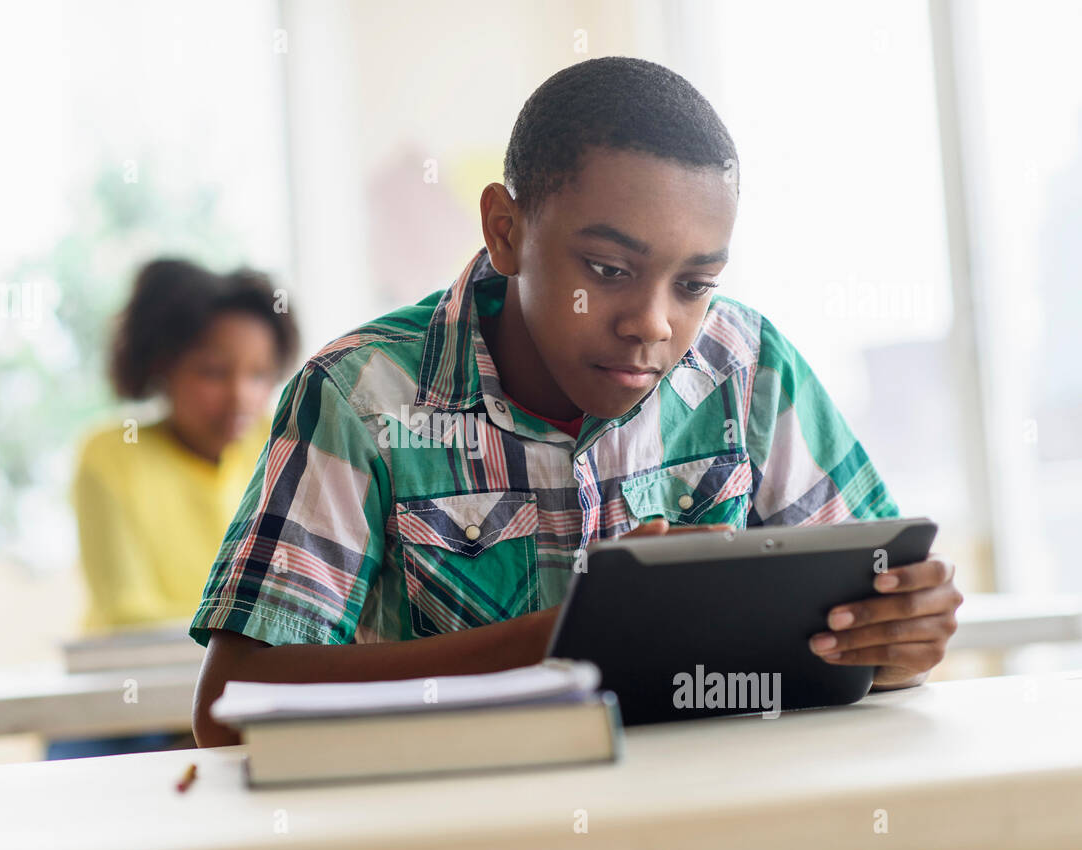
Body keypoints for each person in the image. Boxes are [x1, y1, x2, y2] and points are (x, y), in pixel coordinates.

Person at [188, 57, 963, 748]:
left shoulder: (748, 369)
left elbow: (875, 632)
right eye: (609, 269)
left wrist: (901, 641)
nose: (653, 323)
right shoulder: (361, 398)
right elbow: (229, 708)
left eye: (694, 284)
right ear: (505, 230)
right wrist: (567, 637)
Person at [50, 259, 297, 759]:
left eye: (259, 374)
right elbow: (126, 612)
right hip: (128, 706)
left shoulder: (281, 441)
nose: (240, 397)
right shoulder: (110, 454)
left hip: (246, 695)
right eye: (213, 372)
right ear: (162, 366)